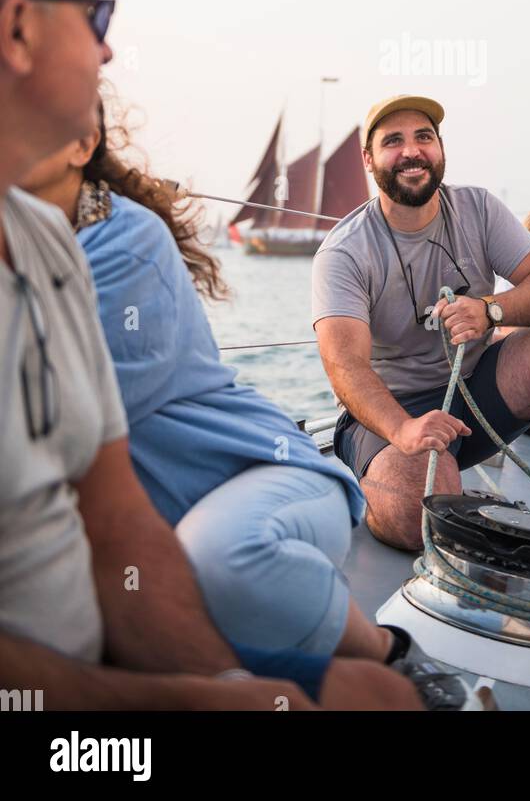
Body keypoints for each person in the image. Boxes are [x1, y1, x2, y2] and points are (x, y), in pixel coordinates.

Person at [0, 0, 418, 711]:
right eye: (93, 14)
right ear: (19, 29)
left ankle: (380, 653)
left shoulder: (54, 245)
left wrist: (229, 687)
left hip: (240, 490)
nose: (108, 48)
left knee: (379, 697)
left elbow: (113, 519)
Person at [20, 102, 475, 705]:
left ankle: (386, 650)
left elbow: (52, 420)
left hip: (257, 475)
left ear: (83, 145)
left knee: (220, 557)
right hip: (145, 517)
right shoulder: (23, 246)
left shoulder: (123, 240)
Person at [313, 93, 530, 592]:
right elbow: (345, 366)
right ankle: (403, 487)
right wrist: (404, 429)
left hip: (475, 391)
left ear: (440, 148)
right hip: (392, 414)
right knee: (416, 518)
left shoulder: (478, 208)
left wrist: (490, 310)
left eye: (424, 137)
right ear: (369, 160)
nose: (412, 151)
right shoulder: (345, 251)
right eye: (393, 141)